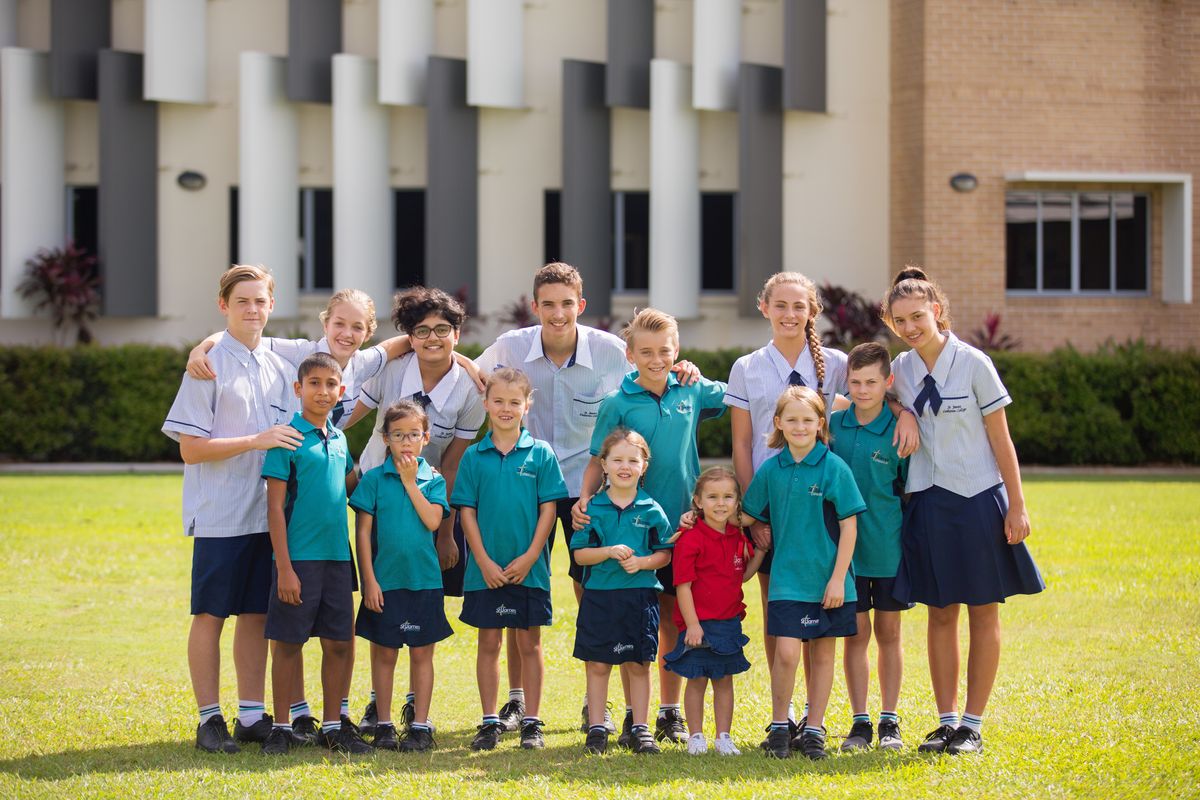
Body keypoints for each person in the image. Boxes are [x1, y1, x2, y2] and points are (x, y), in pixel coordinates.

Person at [474, 262, 698, 733]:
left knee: (595, 594)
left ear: (582, 305)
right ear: (535, 307)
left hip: (587, 489)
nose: (558, 314)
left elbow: (654, 364)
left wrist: (683, 367)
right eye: (548, 304)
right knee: (521, 587)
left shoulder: (612, 351)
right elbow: (466, 371)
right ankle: (515, 701)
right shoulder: (510, 348)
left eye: (567, 303)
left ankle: (600, 704)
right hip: (525, 484)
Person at [725, 271, 917, 746]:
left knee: (823, 618)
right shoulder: (747, 367)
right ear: (764, 307)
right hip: (773, 506)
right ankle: (783, 715)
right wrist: (758, 517)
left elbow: (869, 399)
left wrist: (905, 410)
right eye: (781, 305)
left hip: (820, 508)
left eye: (799, 306)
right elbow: (743, 443)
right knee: (781, 614)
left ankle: (817, 718)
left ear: (813, 311)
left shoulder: (833, 362)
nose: (790, 315)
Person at [883, 267, 1044, 755]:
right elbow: (875, 396)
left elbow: (1002, 439)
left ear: (936, 310)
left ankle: (972, 725)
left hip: (977, 500)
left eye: (917, 316)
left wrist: (1016, 506)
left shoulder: (974, 363)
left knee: (982, 613)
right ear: (891, 323)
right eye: (900, 320)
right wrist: (902, 410)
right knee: (939, 615)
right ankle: (947, 721)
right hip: (927, 502)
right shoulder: (904, 368)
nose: (911, 327)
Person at [161, 264, 301, 754]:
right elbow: (191, 449)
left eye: (260, 300)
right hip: (219, 514)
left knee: (254, 616)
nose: (253, 309)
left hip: (266, 515)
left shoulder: (282, 366)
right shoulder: (207, 364)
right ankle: (207, 721)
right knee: (210, 615)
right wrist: (255, 441)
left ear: (271, 305)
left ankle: (249, 715)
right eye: (242, 301)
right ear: (223, 305)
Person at [573, 308, 726, 745]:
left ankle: (668, 711)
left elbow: (741, 398)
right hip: (631, 531)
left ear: (677, 351)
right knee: (632, 619)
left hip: (683, 526)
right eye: (646, 352)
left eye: (665, 351)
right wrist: (585, 500)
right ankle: (628, 715)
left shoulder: (692, 390)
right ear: (630, 354)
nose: (656, 359)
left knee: (675, 621)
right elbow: (596, 459)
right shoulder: (617, 403)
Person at [346, 287, 485, 735]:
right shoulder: (390, 369)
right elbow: (346, 414)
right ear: (409, 336)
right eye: (421, 331)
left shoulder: (470, 388)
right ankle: (377, 708)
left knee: (418, 602)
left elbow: (451, 462)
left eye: (442, 330)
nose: (432, 339)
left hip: (426, 495)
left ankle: (413, 709)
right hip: (377, 488)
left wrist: (445, 534)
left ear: (457, 334)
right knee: (382, 594)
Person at [743, 386, 866, 760]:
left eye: (808, 420)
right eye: (792, 419)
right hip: (786, 579)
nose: (800, 427)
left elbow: (849, 526)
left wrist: (837, 579)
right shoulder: (771, 469)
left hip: (828, 580)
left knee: (823, 655)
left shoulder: (833, 467)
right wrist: (703, 517)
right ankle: (781, 725)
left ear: (820, 424)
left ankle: (814, 729)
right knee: (785, 653)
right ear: (778, 423)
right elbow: (746, 515)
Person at [450, 368, 568, 751]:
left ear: (527, 406)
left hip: (528, 571)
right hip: (486, 571)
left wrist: (532, 556)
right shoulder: (473, 456)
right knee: (489, 644)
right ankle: (488, 721)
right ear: (485, 404)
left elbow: (549, 509)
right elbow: (466, 512)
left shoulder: (542, 453)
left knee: (529, 644)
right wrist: (482, 561)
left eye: (514, 402)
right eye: (498, 401)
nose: (505, 408)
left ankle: (532, 721)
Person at [259, 352, 370, 755]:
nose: (323, 391)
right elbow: (274, 509)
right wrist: (284, 569)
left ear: (341, 391)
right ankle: (283, 726)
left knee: (339, 643)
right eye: (314, 383)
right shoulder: (286, 438)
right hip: (297, 561)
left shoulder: (340, 439)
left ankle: (334, 725)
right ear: (298, 389)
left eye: (331, 385)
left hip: (338, 560)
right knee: (288, 643)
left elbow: (354, 491)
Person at [351, 400, 454, 753]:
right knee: (384, 655)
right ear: (386, 439)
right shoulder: (375, 480)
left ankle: (420, 726)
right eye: (398, 435)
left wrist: (412, 484)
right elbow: (362, 532)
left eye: (413, 435)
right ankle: (383, 724)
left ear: (425, 438)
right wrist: (369, 581)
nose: (406, 442)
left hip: (424, 581)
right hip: (385, 583)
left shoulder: (432, 480)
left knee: (422, 655)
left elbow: (433, 522)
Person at [828, 342, 912, 751]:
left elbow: (910, 491)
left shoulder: (900, 430)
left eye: (871, 382)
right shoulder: (835, 427)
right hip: (848, 555)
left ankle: (890, 721)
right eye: (856, 382)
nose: (862, 390)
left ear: (888, 383)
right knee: (856, 634)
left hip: (889, 549)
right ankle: (860, 722)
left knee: (890, 632)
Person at [571, 428, 674, 755]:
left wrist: (643, 563)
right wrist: (608, 552)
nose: (624, 466)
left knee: (638, 664)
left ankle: (640, 729)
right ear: (604, 464)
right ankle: (597, 729)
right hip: (600, 597)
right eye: (617, 459)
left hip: (640, 598)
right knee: (598, 663)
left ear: (644, 465)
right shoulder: (591, 510)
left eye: (633, 459)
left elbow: (665, 553)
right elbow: (579, 555)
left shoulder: (652, 509)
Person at [663, 467, 765, 756]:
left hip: (728, 622)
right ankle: (696, 736)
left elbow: (743, 576)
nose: (721, 503)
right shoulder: (690, 539)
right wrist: (693, 625)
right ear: (698, 501)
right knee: (696, 681)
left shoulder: (737, 536)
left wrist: (760, 552)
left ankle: (724, 737)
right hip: (697, 624)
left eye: (728, 497)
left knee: (724, 681)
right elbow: (683, 587)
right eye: (712, 497)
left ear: (736, 502)